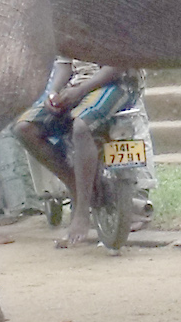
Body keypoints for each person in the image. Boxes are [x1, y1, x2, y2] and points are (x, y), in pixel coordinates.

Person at [15, 58, 142, 248]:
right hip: (77, 87)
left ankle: (82, 211)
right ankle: (76, 185)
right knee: (24, 129)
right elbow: (64, 64)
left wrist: (80, 91)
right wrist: (53, 93)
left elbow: (119, 64)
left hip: (119, 84)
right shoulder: (70, 30)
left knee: (81, 127)